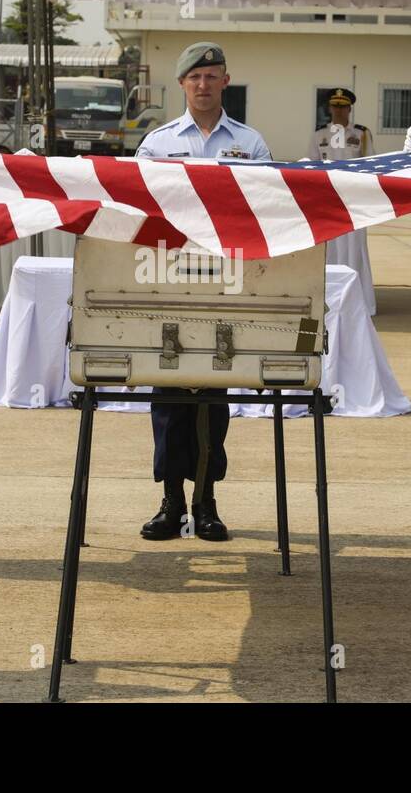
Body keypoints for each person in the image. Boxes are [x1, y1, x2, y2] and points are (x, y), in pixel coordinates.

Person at [134, 41, 271, 542]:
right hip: (168, 279)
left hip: (225, 280)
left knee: (214, 391)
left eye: (212, 76)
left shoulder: (251, 145)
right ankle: (171, 501)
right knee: (168, 390)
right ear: (182, 84)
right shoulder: (157, 143)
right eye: (195, 77)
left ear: (225, 82)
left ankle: (206, 502)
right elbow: (144, 206)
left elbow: (261, 208)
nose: (203, 84)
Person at [308, 87, 373, 161]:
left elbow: (370, 160)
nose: (338, 110)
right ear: (330, 108)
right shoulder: (319, 134)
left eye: (343, 106)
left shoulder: (362, 134)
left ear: (349, 109)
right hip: (328, 172)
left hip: (350, 172)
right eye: (335, 106)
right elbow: (312, 162)